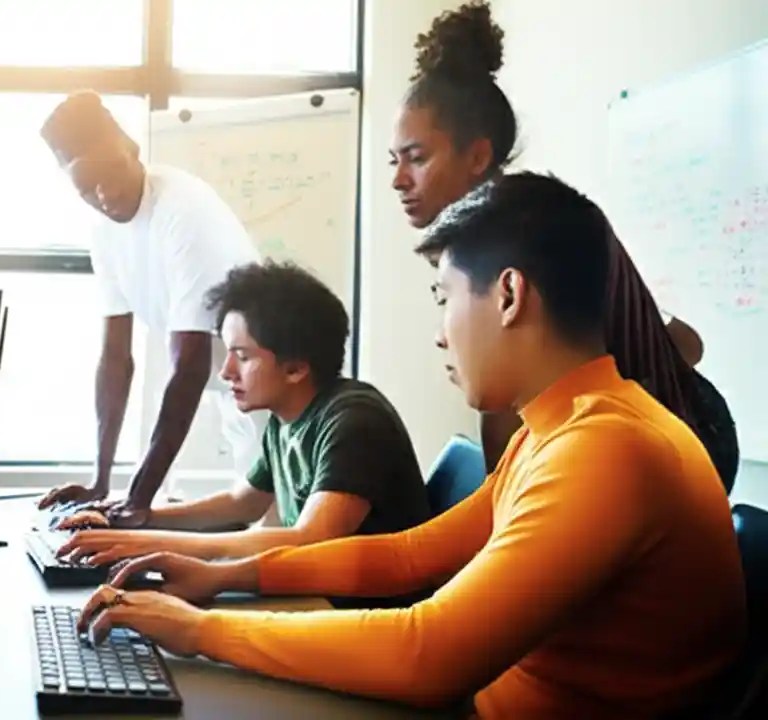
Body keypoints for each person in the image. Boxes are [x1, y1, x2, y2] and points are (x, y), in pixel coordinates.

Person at [75, 173, 746, 718]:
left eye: (443, 297)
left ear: (508, 295)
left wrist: (197, 631)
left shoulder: (607, 448)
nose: (441, 332)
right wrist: (226, 578)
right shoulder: (562, 429)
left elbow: (427, 654)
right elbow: (409, 556)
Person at [388, 0, 740, 491]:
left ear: (478, 155)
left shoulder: (536, 231)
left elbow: (684, 347)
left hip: (683, 443)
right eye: (393, 163)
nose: (399, 181)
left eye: (416, 158)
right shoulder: (495, 236)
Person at [55, 261, 430, 566]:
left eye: (244, 356)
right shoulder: (286, 417)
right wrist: (135, 519)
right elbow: (243, 502)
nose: (225, 372)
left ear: (296, 368)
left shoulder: (352, 423)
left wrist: (143, 544)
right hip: (320, 602)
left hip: (365, 619)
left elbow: (308, 541)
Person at [33, 91, 263, 527]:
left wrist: (138, 499)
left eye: (112, 172)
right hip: (235, 397)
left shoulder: (183, 211)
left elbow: (190, 366)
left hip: (281, 404)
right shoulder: (104, 231)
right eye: (86, 187)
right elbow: (115, 359)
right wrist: (100, 482)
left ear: (132, 150)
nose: (105, 194)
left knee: (273, 555)